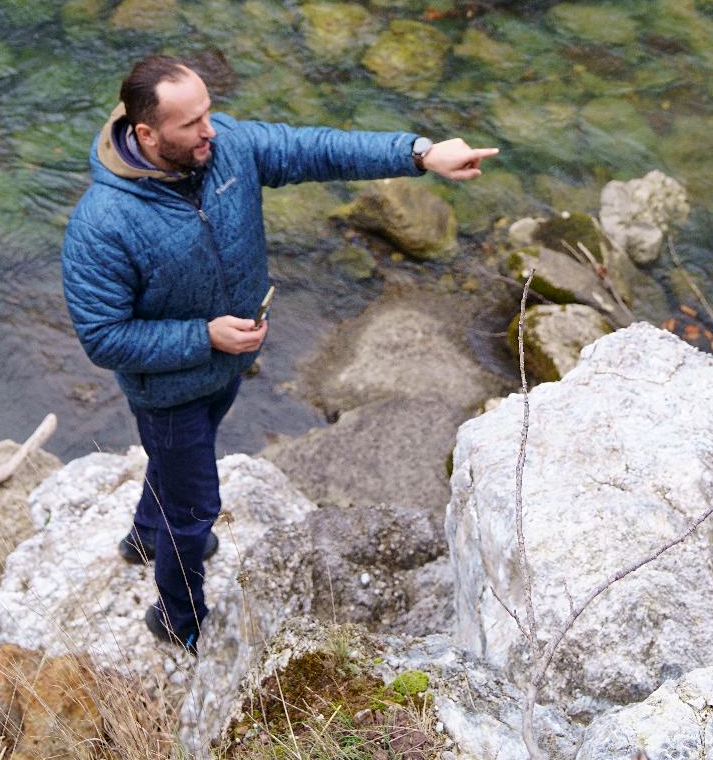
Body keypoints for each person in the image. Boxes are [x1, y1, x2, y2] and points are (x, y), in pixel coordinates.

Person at [61, 52, 498, 653]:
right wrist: (203, 336)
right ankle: (177, 619)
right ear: (145, 134)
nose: (209, 130)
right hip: (167, 388)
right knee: (195, 508)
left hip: (228, 364)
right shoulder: (103, 223)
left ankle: (143, 537)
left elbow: (320, 150)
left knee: (175, 464)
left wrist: (420, 153)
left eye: (209, 112)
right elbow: (102, 337)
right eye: (190, 124)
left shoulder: (227, 148)